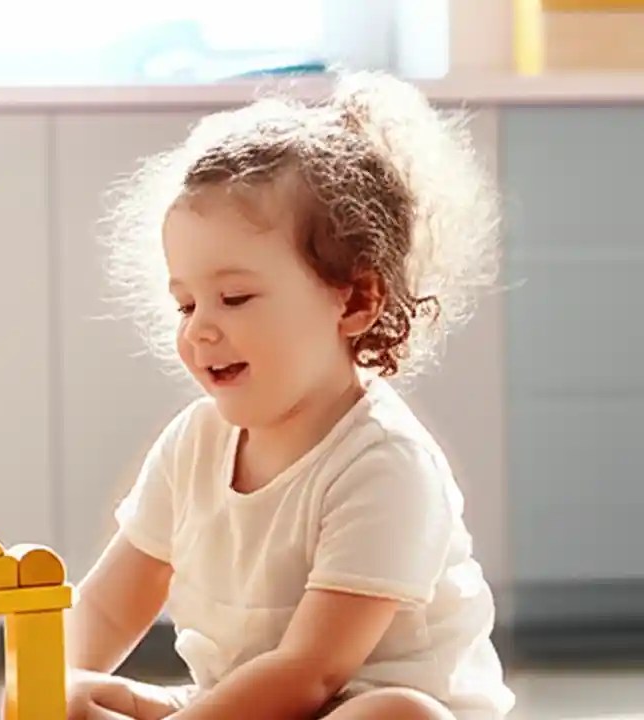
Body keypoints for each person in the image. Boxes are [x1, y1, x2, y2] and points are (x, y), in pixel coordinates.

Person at [63, 72, 517, 719]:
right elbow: (109, 606)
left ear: (355, 299)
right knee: (69, 696)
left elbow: (311, 673)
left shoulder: (384, 463)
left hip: (346, 704)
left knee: (393, 715)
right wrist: (43, 689)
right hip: (235, 707)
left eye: (235, 297)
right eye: (185, 303)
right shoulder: (195, 444)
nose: (199, 328)